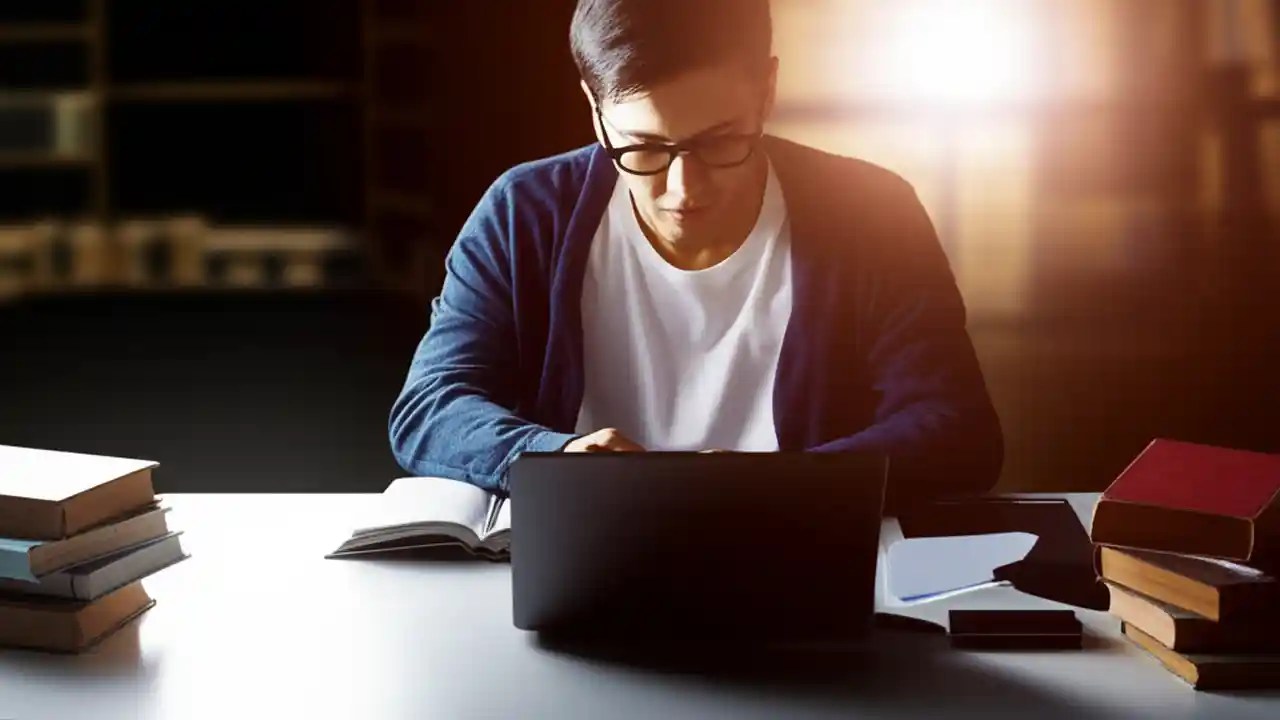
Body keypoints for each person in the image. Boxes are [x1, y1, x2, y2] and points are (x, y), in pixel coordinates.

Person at [389, 0, 1003, 509]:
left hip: (801, 561)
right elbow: (432, 405)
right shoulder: (526, 211)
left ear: (766, 90)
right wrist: (560, 459)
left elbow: (956, 430)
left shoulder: (872, 212)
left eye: (720, 141)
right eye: (644, 148)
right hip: (584, 552)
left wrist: (777, 484)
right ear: (594, 108)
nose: (685, 189)